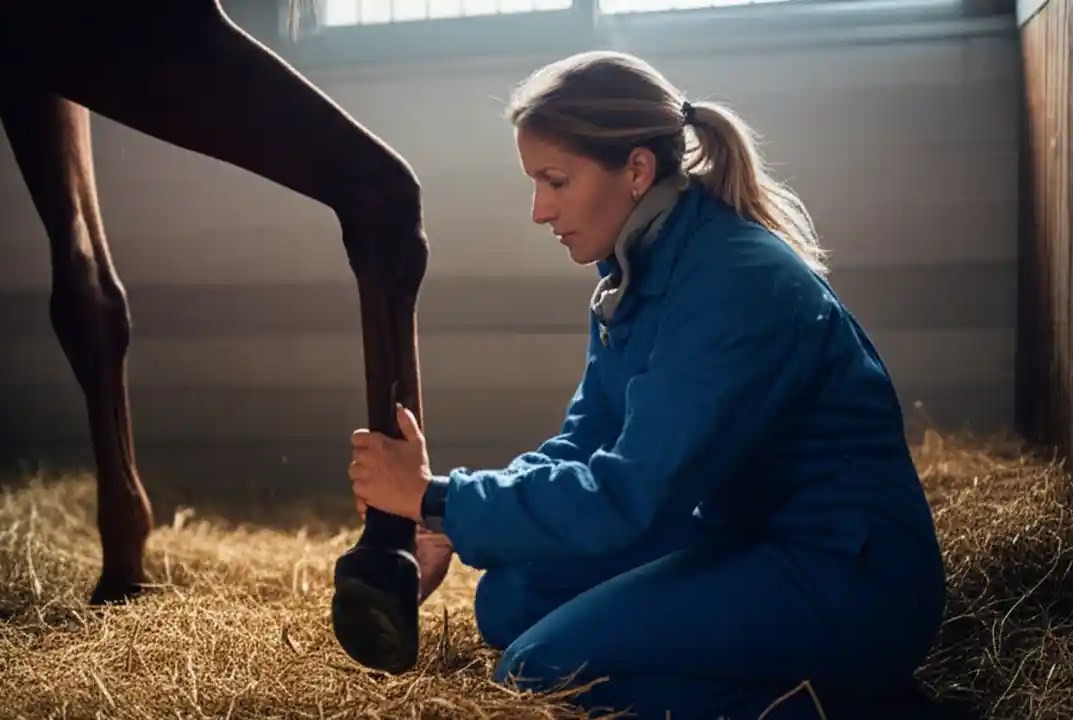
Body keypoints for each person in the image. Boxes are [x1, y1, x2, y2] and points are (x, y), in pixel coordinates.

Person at [346, 50, 946, 720]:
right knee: (511, 597)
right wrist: (445, 521)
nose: (539, 210)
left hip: (846, 573)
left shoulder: (733, 284)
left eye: (555, 181)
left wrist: (437, 497)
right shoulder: (636, 272)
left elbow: (630, 497)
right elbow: (586, 443)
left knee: (541, 671)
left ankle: (859, 707)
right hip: (746, 534)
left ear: (636, 169)